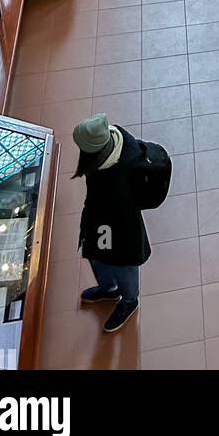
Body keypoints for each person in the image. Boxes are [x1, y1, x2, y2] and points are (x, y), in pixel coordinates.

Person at [72, 114, 151, 334]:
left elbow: (118, 213)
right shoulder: (116, 138)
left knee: (122, 264)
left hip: (119, 227)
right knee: (98, 257)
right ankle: (108, 288)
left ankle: (129, 300)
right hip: (102, 221)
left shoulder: (115, 177)